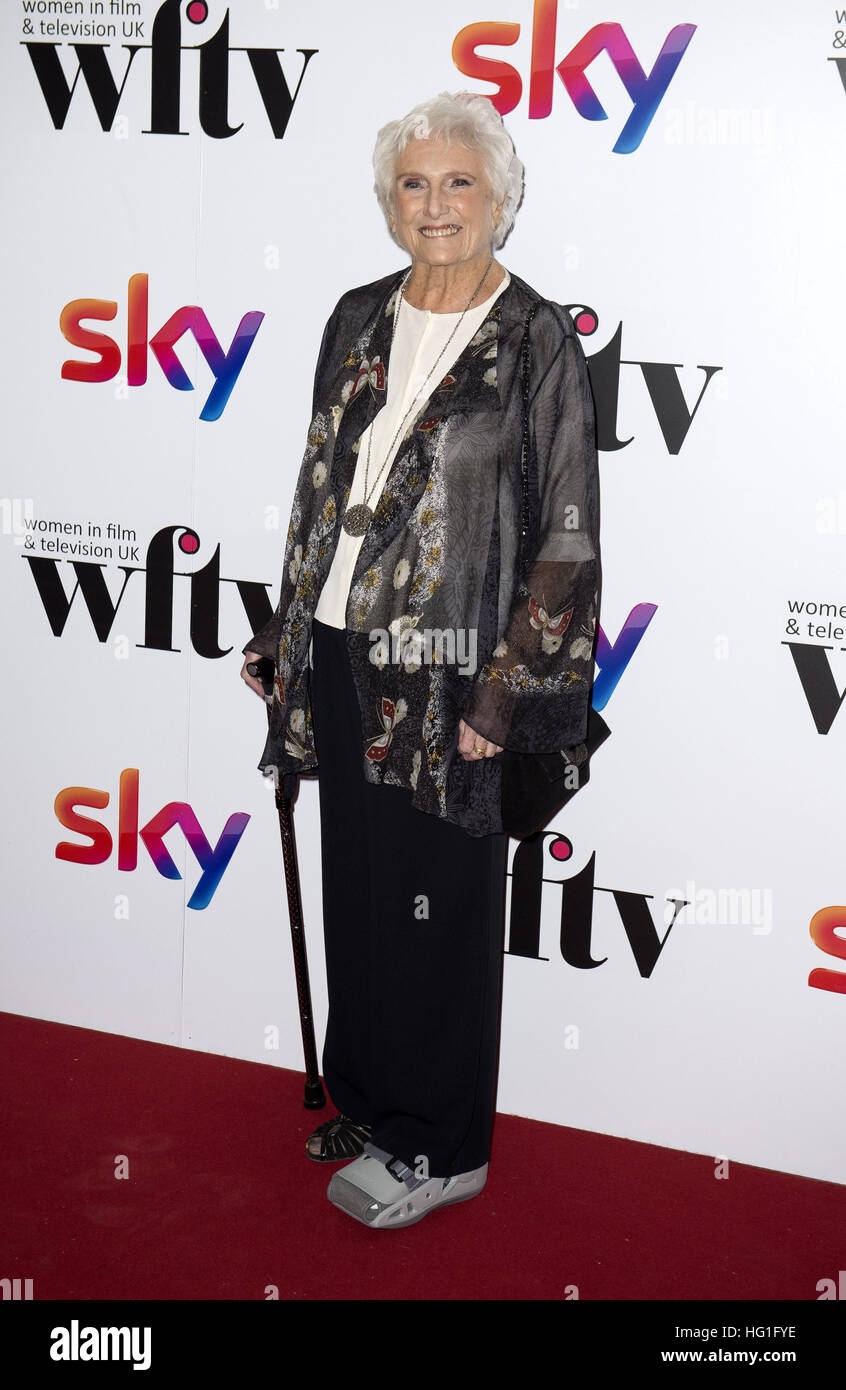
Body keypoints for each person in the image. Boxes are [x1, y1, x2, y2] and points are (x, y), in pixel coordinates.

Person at [241, 91, 600, 1230]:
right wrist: (285, 635)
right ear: (389, 199)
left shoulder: (535, 337)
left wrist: (508, 688)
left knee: (438, 912)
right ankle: (378, 1098)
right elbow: (320, 494)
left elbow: (566, 536)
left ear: (501, 196)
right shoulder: (355, 315)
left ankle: (446, 1146)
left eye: (459, 183)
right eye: (414, 183)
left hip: (452, 677)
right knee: (360, 889)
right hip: (345, 652)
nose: (435, 205)